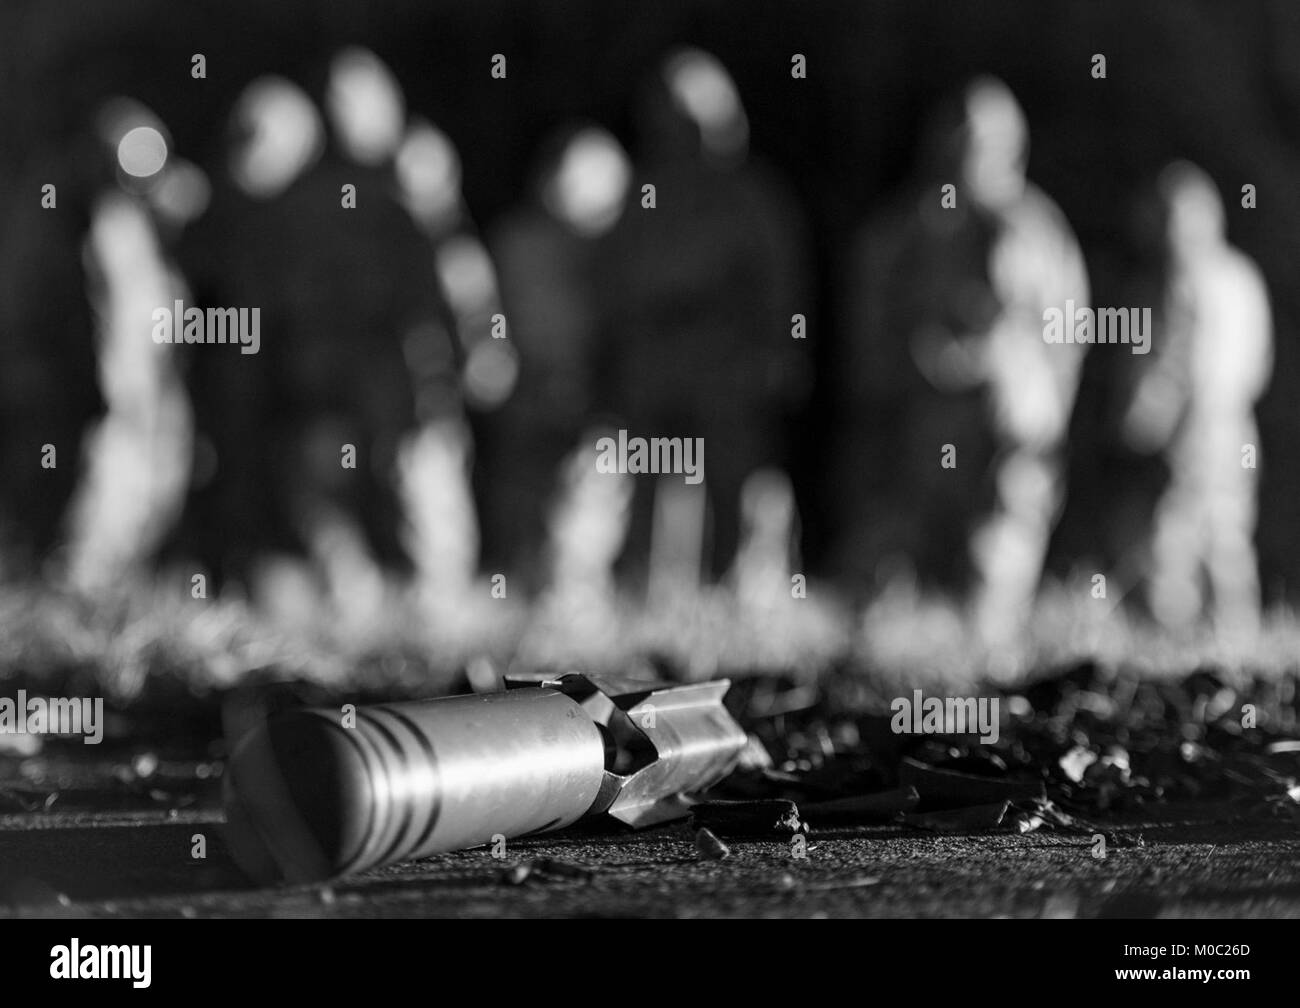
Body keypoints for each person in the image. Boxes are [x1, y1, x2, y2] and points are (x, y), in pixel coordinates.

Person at [841, 76, 1090, 644]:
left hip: (1006, 419)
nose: (967, 153)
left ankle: (989, 665)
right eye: (957, 139)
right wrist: (889, 379)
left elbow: (1064, 330)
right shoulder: (909, 226)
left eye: (980, 141)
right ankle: (885, 665)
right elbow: (875, 316)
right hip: (921, 423)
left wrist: (1039, 404)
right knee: (893, 547)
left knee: (999, 547)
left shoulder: (1033, 228)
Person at [1123, 161, 1272, 636]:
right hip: (1236, 428)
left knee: (1173, 541)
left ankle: (1173, 652)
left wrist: (1144, 419)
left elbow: (1176, 368)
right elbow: (1258, 362)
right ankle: (1233, 651)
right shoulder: (1243, 275)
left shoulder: (1186, 284)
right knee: (1227, 542)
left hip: (1197, 432)